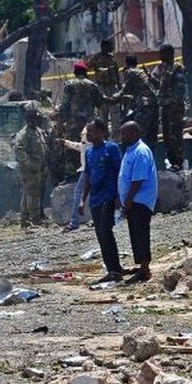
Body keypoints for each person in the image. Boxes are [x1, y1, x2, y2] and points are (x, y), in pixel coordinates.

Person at [78, 119, 124, 284]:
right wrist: (82, 200)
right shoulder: (89, 152)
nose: (88, 134)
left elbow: (119, 171)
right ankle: (112, 268)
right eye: (87, 131)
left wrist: (119, 196)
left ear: (102, 132)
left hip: (108, 196)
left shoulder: (111, 148)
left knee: (105, 232)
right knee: (100, 234)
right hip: (95, 199)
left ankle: (114, 269)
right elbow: (88, 177)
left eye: (91, 131)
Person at [117, 121, 158, 284]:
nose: (122, 137)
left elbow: (138, 180)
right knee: (135, 234)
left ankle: (145, 269)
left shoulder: (141, 152)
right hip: (133, 200)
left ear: (134, 134)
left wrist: (127, 200)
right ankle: (141, 266)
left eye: (124, 134)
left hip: (140, 200)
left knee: (141, 233)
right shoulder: (130, 151)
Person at [152, 44, 188, 171]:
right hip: (166, 108)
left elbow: (179, 90)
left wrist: (169, 102)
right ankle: (172, 163)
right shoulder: (165, 69)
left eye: (162, 53)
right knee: (167, 136)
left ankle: (178, 163)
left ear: (169, 54)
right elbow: (162, 88)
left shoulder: (177, 68)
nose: (160, 56)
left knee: (175, 135)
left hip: (174, 109)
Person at [111, 55, 159, 148]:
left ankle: (138, 155)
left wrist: (115, 97)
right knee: (152, 135)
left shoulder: (130, 71)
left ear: (127, 64)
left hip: (144, 104)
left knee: (139, 132)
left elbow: (126, 88)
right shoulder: (141, 71)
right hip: (154, 102)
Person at [13, 105, 48, 228]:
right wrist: (30, 165)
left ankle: (26, 218)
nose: (37, 121)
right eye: (35, 119)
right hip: (29, 170)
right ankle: (33, 219)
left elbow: (43, 149)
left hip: (39, 169)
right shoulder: (23, 134)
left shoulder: (38, 131)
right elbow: (20, 151)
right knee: (31, 194)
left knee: (32, 194)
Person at [60, 117, 90, 232]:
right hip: (88, 169)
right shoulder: (88, 130)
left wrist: (67, 143)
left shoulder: (87, 131)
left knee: (78, 194)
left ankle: (74, 222)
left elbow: (84, 147)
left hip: (87, 170)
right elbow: (82, 147)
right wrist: (67, 143)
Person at [86, 39, 123, 133]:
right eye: (110, 46)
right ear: (104, 47)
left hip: (112, 88)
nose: (112, 47)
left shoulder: (112, 58)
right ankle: (103, 137)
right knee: (102, 115)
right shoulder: (96, 58)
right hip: (101, 88)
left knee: (115, 114)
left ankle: (116, 138)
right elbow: (86, 67)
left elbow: (116, 73)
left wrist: (119, 88)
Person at [57, 60, 103, 134]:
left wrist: (60, 122)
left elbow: (64, 104)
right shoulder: (92, 85)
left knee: (72, 143)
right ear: (85, 72)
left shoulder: (69, 85)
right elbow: (99, 103)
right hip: (89, 123)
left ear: (75, 72)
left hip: (73, 121)